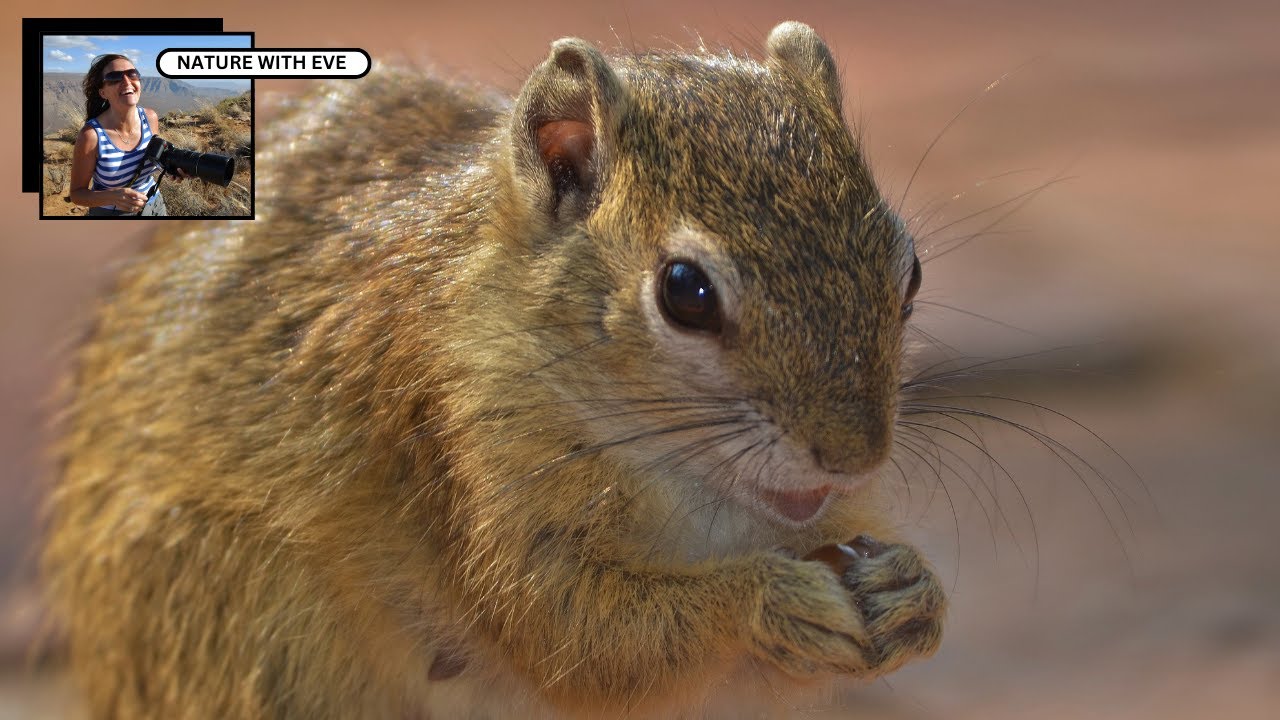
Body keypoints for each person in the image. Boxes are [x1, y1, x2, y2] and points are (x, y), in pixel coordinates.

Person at [69, 54, 183, 217]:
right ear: (102, 92)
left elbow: (153, 158)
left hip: (155, 205)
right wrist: (113, 197)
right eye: (114, 78)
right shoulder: (91, 136)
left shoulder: (150, 118)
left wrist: (172, 168)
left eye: (132, 74)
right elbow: (77, 194)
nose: (127, 82)